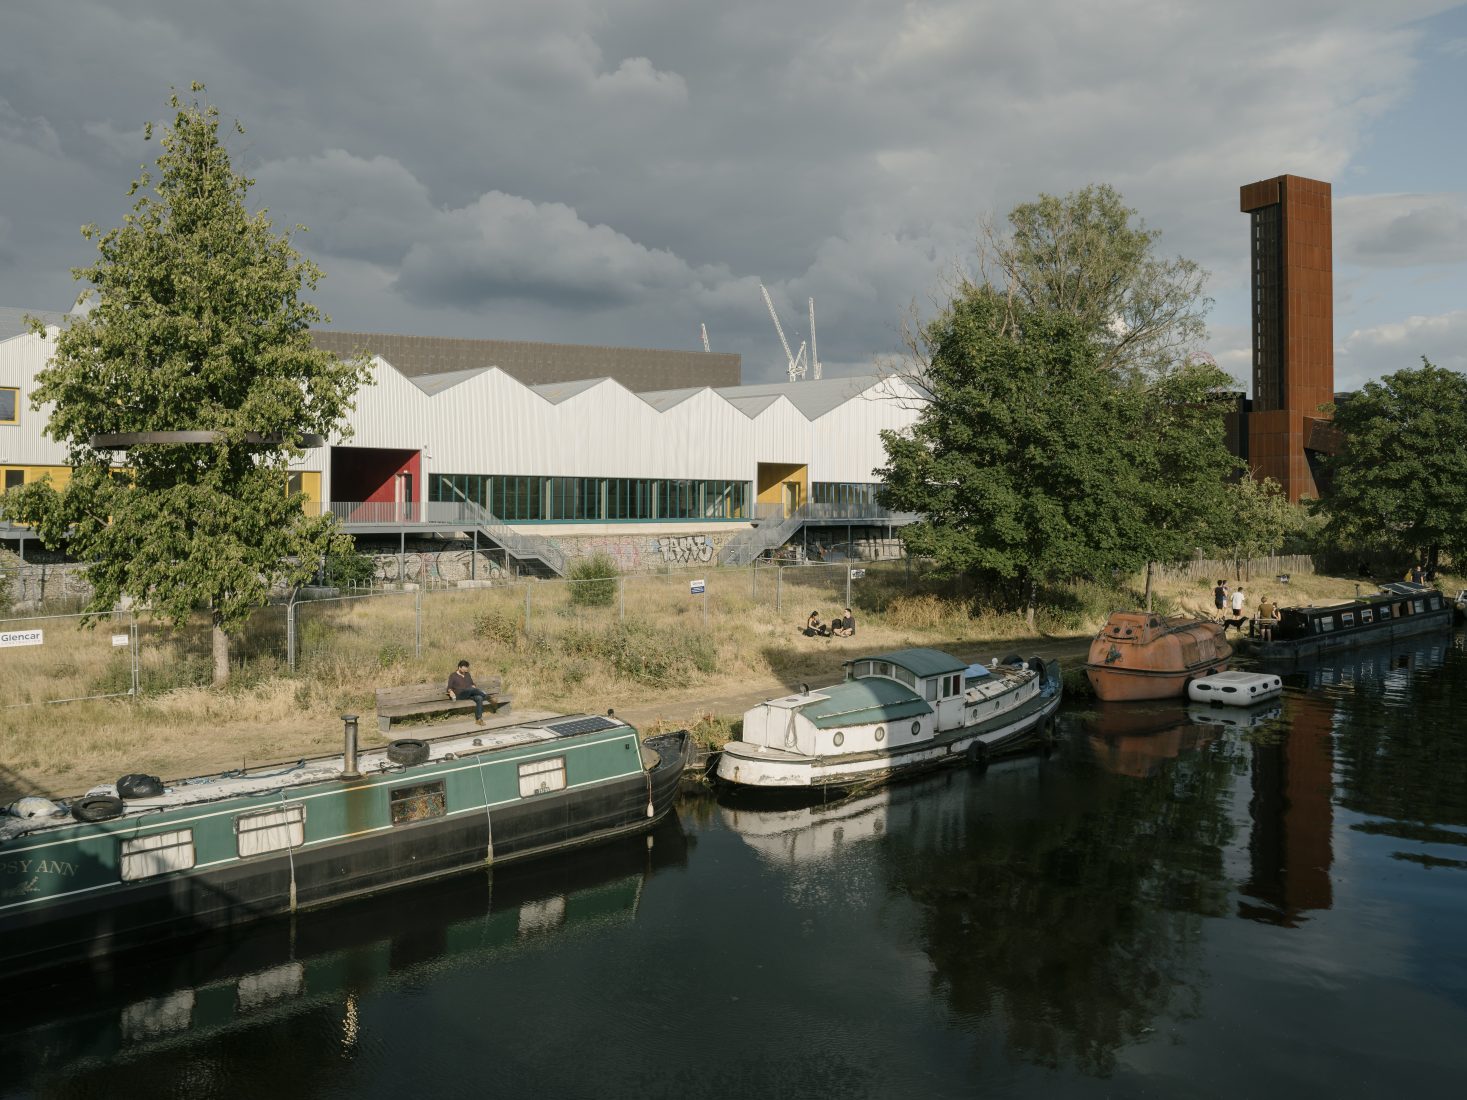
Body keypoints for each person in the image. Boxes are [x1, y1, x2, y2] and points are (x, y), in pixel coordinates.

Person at [447, 659, 489, 726]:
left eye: (467, 668)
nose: (465, 670)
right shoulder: (453, 675)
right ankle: (487, 696)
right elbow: (449, 687)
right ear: (459, 667)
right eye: (464, 669)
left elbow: (472, 683)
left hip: (469, 694)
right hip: (460, 695)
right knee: (471, 689)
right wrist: (451, 692)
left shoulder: (467, 674)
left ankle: (479, 719)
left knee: (479, 698)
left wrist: (474, 686)